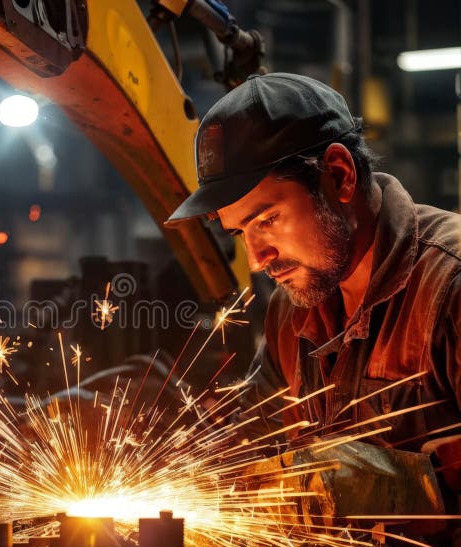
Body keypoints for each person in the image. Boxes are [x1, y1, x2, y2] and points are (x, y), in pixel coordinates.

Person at [164, 72, 461, 453]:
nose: (257, 261)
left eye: (267, 220)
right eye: (240, 232)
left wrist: (412, 488)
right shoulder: (291, 312)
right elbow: (256, 441)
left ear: (338, 176)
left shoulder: (449, 288)